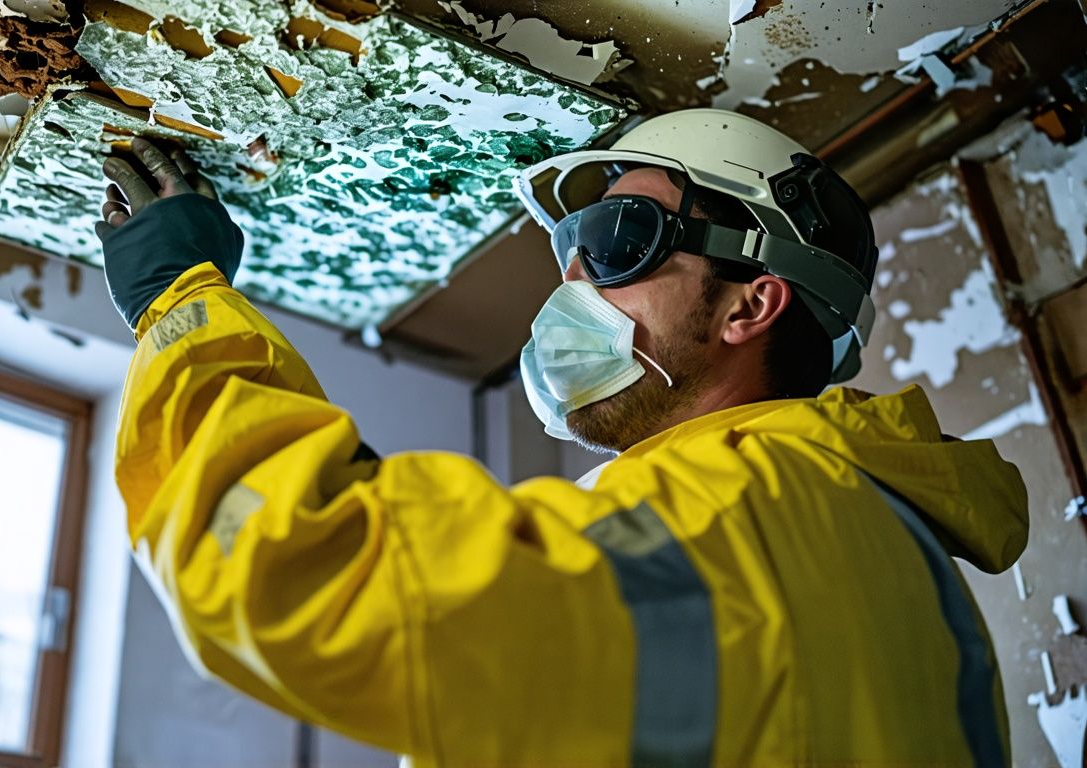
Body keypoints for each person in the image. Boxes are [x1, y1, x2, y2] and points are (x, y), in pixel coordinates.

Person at [95, 108, 1028, 767]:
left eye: (622, 240)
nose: (573, 280)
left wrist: (181, 308)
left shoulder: (748, 508)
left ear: (754, 300)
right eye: (569, 246)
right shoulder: (872, 536)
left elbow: (298, 569)